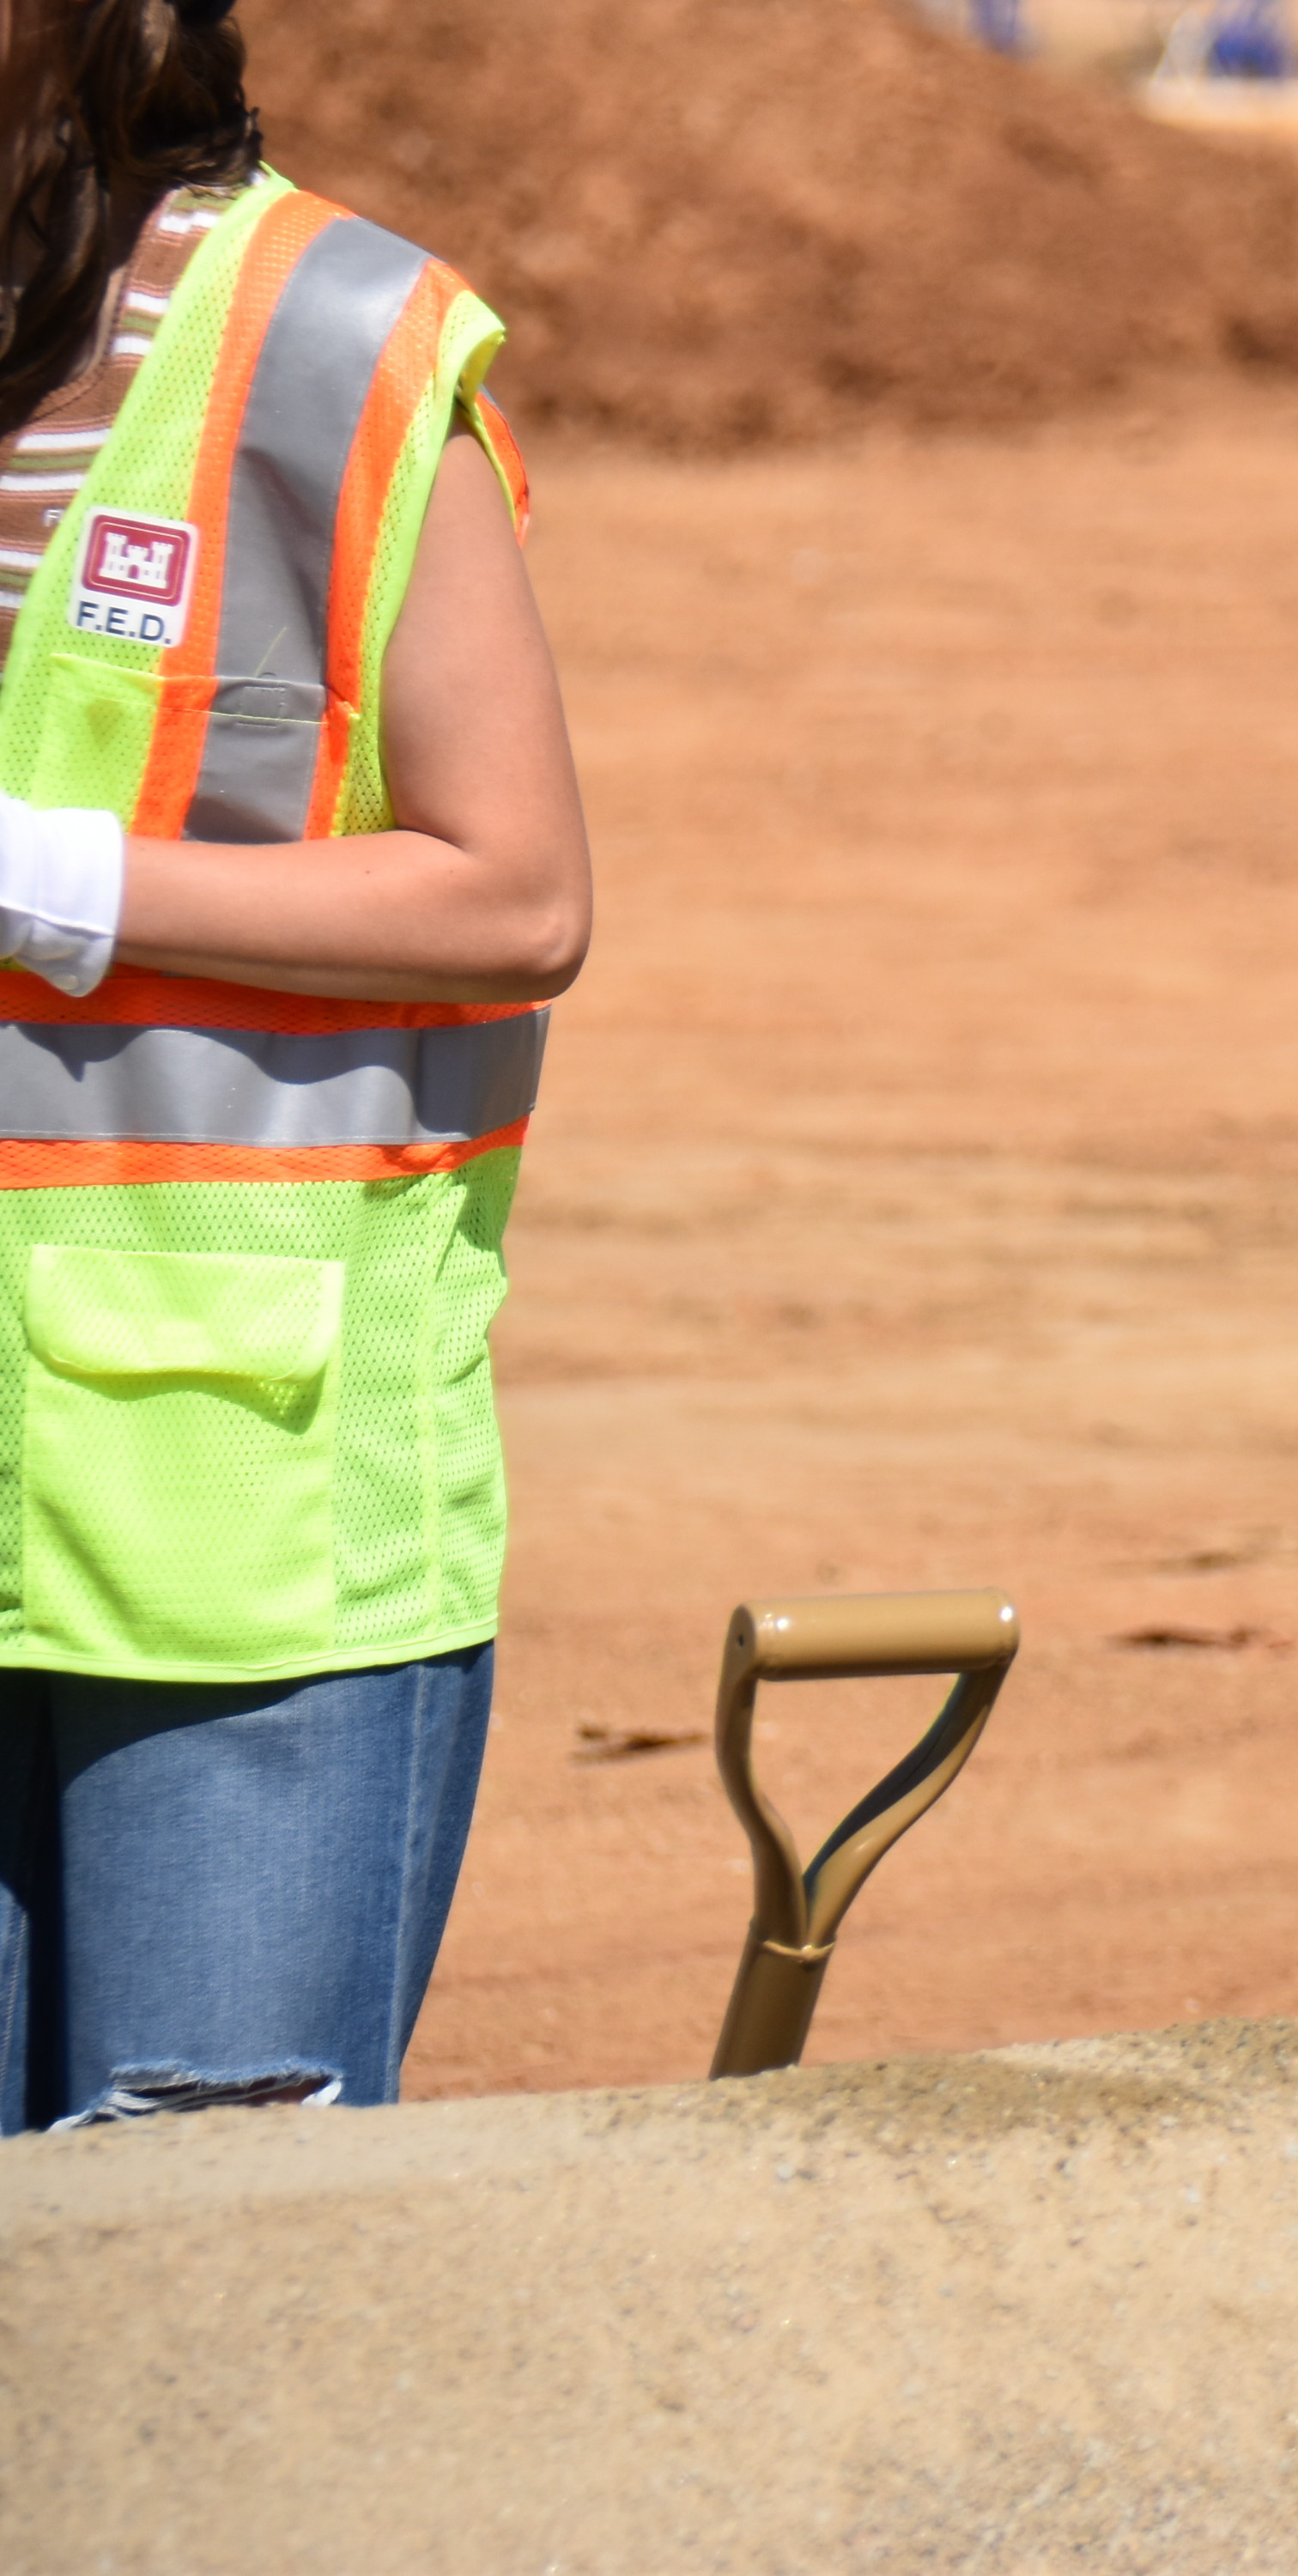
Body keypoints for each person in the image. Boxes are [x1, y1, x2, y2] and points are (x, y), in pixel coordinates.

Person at [0, 0, 591, 2129]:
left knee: (194, 2284)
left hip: (234, 1528)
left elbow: (513, 897)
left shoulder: (330, 345)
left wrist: (49, 879)